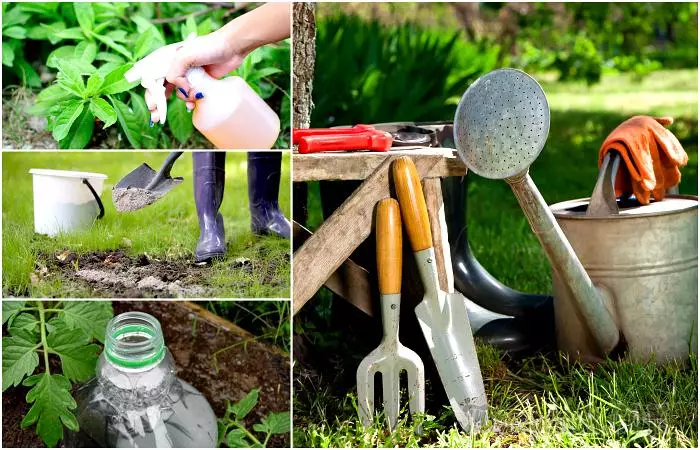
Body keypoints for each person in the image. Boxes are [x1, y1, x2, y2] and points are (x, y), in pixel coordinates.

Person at [151, 3, 292, 263]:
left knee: (254, 132)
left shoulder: (232, 85)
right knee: (216, 131)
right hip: (211, 79)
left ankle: (266, 212)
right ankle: (209, 226)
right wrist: (230, 42)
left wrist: (229, 42)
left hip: (222, 67)